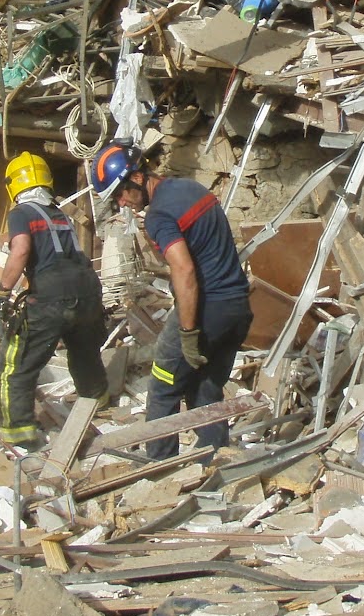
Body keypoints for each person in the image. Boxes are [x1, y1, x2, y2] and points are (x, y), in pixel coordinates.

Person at [90, 141, 252, 460]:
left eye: (121, 193)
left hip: (207, 311)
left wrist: (189, 333)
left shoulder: (159, 215)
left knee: (163, 388)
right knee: (206, 390)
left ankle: (160, 469)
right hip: (237, 309)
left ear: (136, 178)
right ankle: (215, 461)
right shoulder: (191, 189)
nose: (122, 203)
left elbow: (184, 269)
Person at [0, 152, 108, 449]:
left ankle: (19, 433)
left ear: (13, 184)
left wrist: (3, 293)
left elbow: (21, 251)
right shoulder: (60, 214)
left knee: (17, 366)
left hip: (52, 296)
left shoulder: (20, 213)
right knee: (84, 355)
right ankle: (99, 409)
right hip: (87, 291)